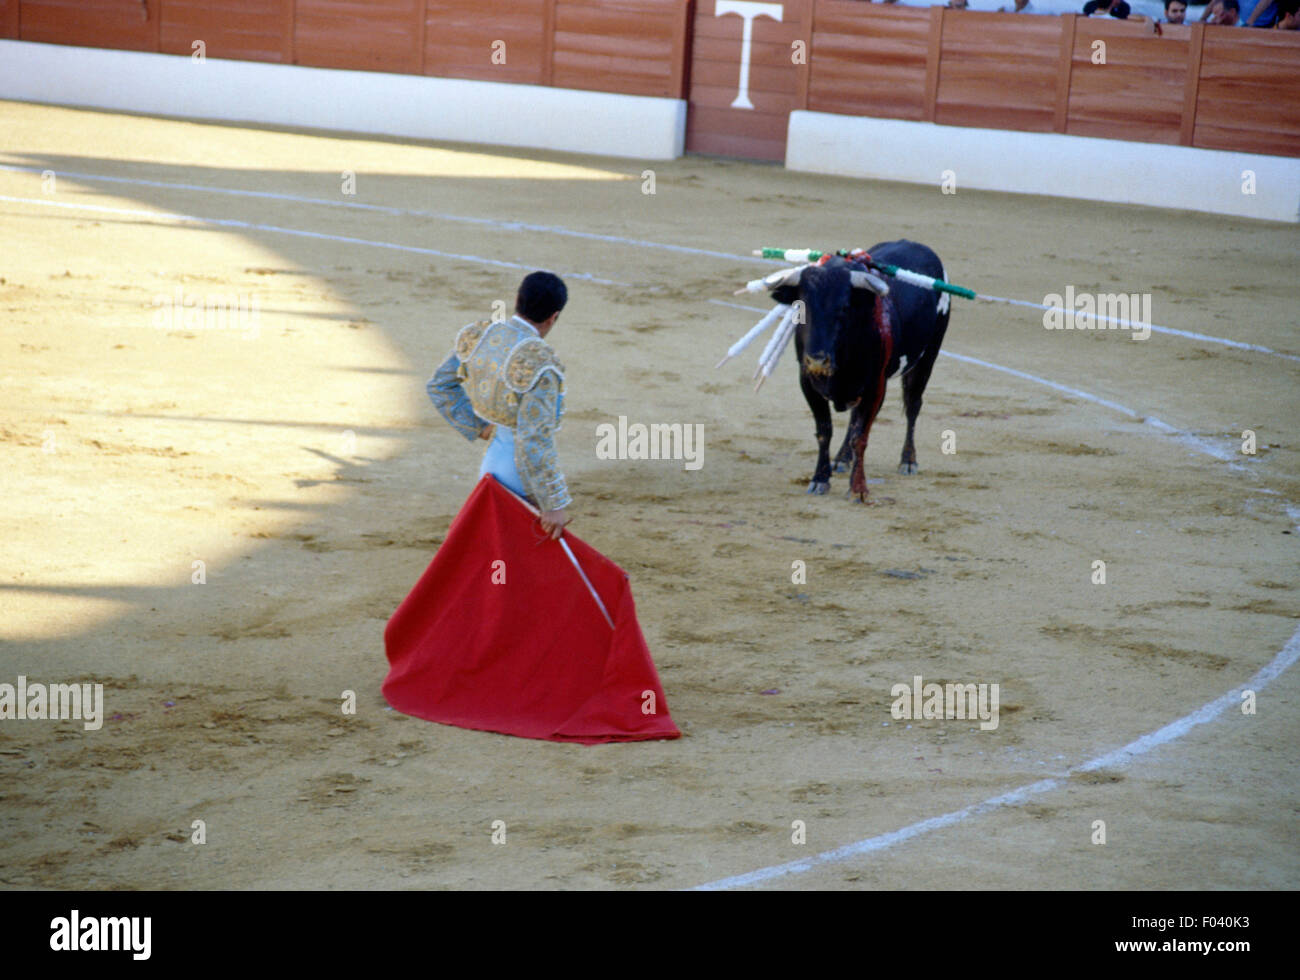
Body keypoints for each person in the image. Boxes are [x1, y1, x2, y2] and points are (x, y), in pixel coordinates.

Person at [426, 271, 572, 539]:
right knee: (530, 557)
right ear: (553, 317)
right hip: (522, 476)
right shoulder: (541, 363)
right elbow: (533, 439)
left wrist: (478, 426)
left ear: (518, 299)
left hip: (491, 466)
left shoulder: (480, 335)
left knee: (502, 550)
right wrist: (552, 503)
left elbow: (439, 387)